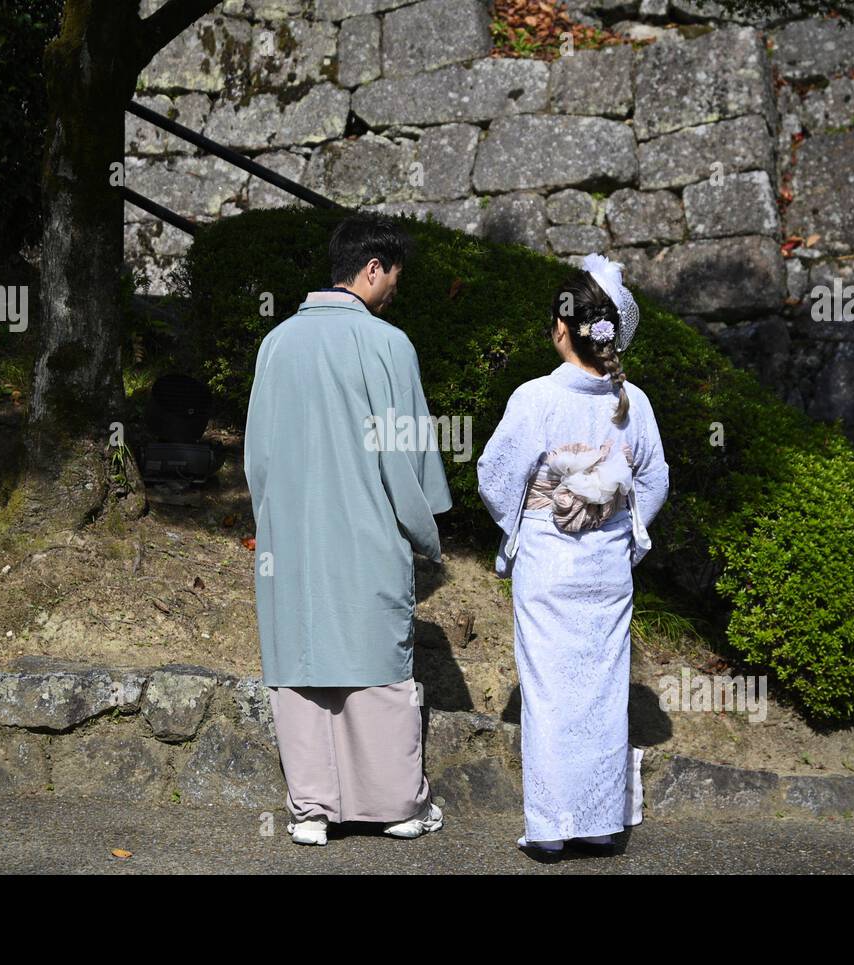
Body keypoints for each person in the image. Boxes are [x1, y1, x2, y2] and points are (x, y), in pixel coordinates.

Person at [244, 213, 452, 846]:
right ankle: (397, 805)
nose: (394, 289)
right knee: (375, 666)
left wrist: (275, 519)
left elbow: (257, 457)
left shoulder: (276, 342)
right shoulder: (390, 345)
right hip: (366, 531)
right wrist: (425, 531)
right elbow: (408, 456)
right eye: (393, 276)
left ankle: (311, 810)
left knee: (300, 663)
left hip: (292, 537)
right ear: (371, 269)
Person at [476, 252, 670, 861]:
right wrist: (616, 521)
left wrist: (524, 523)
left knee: (550, 693)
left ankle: (553, 826)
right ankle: (602, 823)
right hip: (606, 567)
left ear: (563, 328)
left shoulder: (535, 398)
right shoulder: (631, 401)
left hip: (550, 565)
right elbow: (656, 480)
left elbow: (494, 475)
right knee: (604, 692)